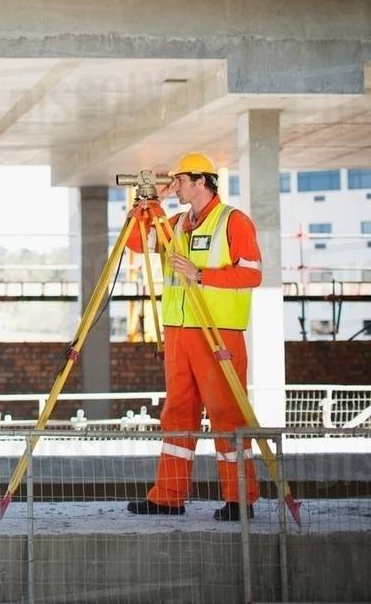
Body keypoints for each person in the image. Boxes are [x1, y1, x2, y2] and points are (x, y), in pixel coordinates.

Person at [125, 152, 262, 522]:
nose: (177, 185)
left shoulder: (233, 221)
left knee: (227, 416)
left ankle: (240, 498)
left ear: (202, 181)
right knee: (178, 415)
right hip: (179, 334)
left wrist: (200, 274)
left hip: (219, 333)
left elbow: (252, 275)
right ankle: (168, 496)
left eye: (181, 180)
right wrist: (152, 203)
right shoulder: (177, 224)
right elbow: (136, 242)